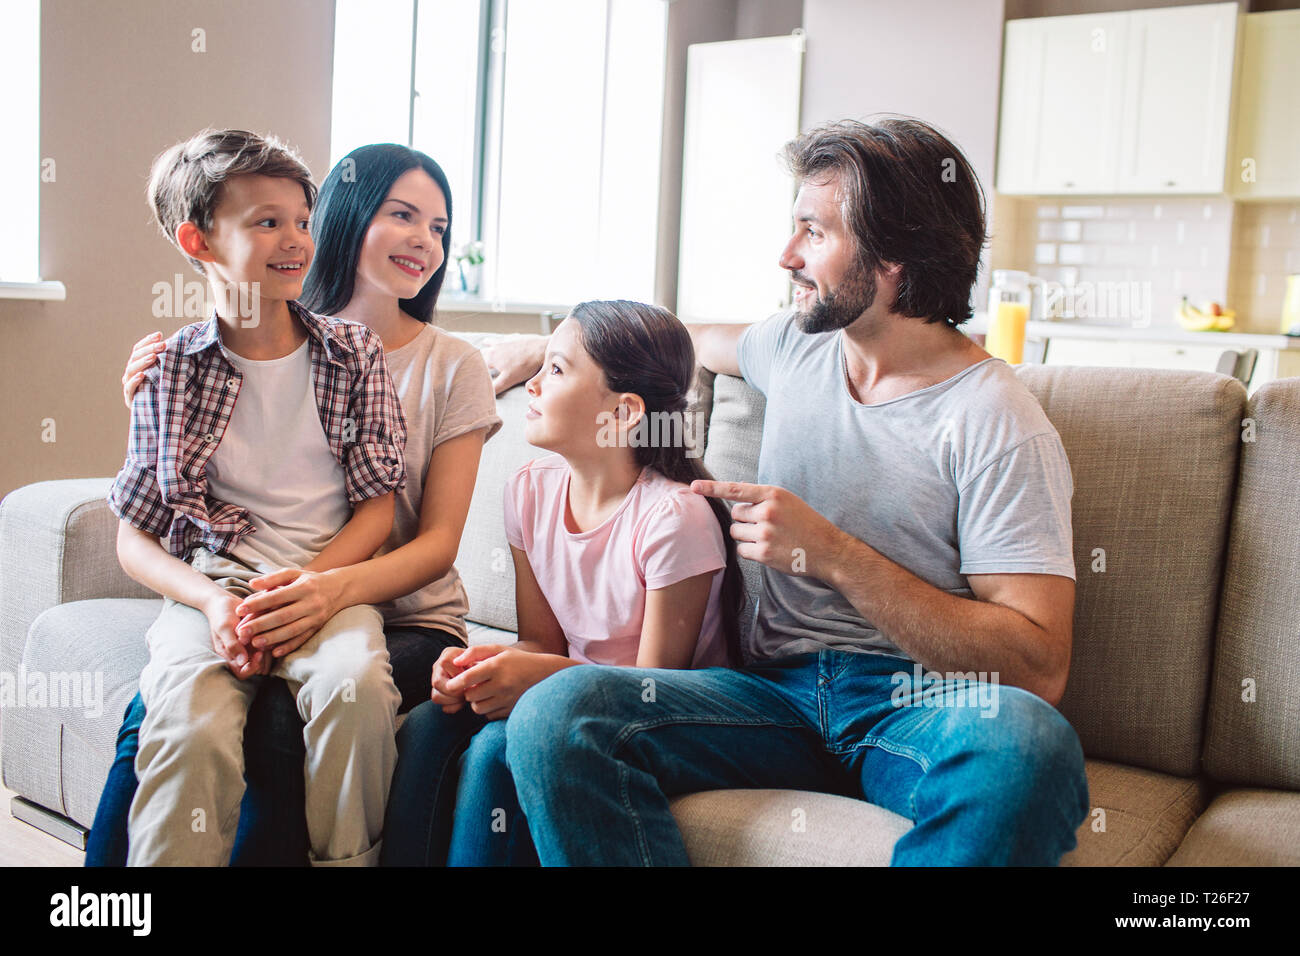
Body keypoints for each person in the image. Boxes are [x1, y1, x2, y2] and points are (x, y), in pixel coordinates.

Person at [484, 117, 1090, 866]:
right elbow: (679, 337)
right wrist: (540, 349)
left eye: (814, 231)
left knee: (1028, 746)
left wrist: (834, 555)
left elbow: (1037, 667)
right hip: (768, 697)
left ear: (893, 255)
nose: (787, 255)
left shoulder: (993, 418)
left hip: (913, 707)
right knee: (558, 711)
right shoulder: (794, 345)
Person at [87, 141, 501, 865]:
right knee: (166, 716)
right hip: (238, 591)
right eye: (402, 214)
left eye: (439, 227)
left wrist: (317, 589)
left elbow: (429, 541)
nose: (424, 241)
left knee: (308, 710)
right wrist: (150, 401)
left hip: (385, 610)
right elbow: (144, 524)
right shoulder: (203, 355)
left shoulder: (420, 362)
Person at [382, 300, 743, 866]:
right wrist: (481, 665)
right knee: (431, 723)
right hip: (567, 690)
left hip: (650, 715)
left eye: (556, 368)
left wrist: (535, 675)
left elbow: (650, 692)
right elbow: (541, 644)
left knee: (495, 752)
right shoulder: (529, 490)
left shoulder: (675, 518)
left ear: (623, 412)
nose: (532, 385)